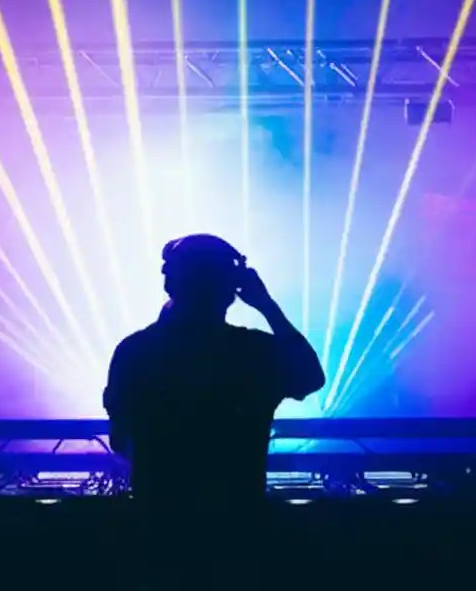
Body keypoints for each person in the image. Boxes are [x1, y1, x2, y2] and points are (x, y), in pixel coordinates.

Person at [103, 234, 325, 588]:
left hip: (158, 534)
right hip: (238, 532)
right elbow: (311, 378)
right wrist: (267, 306)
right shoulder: (255, 352)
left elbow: (120, 440)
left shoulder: (135, 352)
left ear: (170, 282)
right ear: (232, 290)